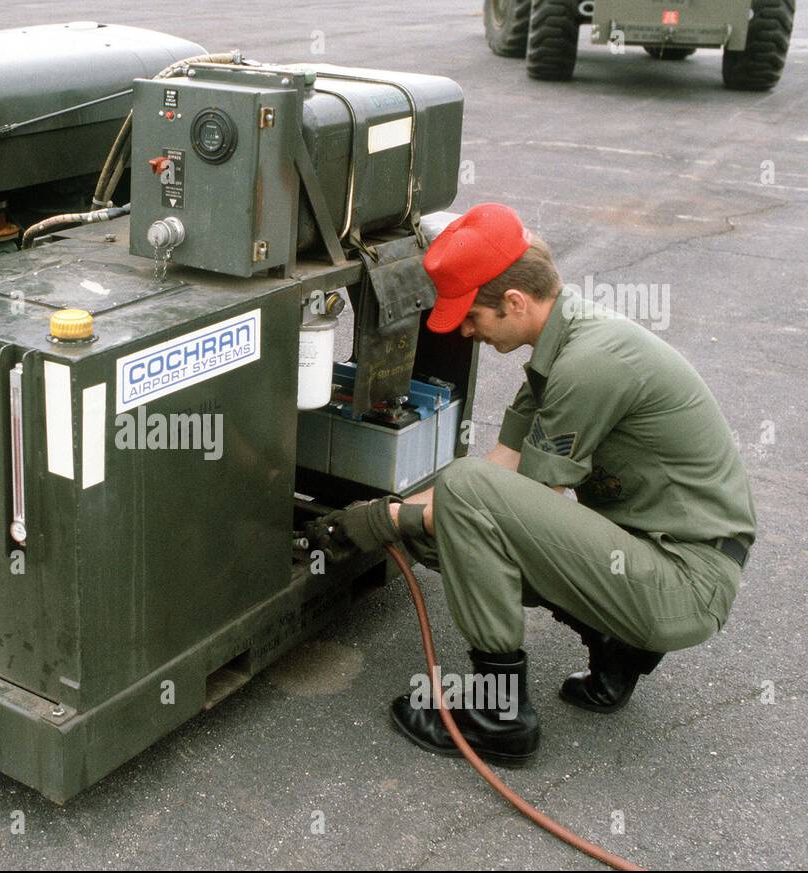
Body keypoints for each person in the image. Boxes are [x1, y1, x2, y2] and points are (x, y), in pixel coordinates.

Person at [311, 203, 755, 765]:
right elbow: (504, 466)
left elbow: (513, 505)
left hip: (686, 582)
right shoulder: (561, 346)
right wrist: (390, 508)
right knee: (443, 517)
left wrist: (385, 521)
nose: (466, 332)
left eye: (472, 316)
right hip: (652, 556)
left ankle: (500, 715)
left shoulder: (589, 364)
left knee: (462, 498)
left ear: (515, 302)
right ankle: (616, 644)